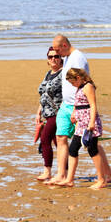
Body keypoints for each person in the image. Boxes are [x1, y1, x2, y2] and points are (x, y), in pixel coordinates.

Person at [46, 34, 111, 186]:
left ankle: (105, 176)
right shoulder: (68, 57)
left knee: (92, 146)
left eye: (58, 50)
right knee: (63, 139)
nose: (57, 54)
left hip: (79, 109)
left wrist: (77, 111)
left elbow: (85, 87)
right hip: (69, 105)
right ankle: (63, 176)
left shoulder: (77, 58)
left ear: (64, 45)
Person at [61, 68, 111, 189]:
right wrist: (74, 113)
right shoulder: (79, 87)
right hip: (80, 123)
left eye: (73, 82)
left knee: (92, 149)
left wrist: (92, 122)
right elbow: (77, 103)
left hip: (88, 122)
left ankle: (101, 180)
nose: (72, 85)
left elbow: (93, 105)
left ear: (78, 78)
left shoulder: (88, 86)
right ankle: (69, 179)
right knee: (73, 149)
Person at [33, 48, 66, 182]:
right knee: (58, 143)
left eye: (56, 56)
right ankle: (65, 171)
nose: (53, 59)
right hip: (47, 113)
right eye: (50, 56)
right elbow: (44, 94)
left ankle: (47, 171)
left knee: (45, 139)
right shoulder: (48, 74)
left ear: (61, 58)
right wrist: (39, 110)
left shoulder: (63, 74)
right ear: (47, 59)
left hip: (58, 113)